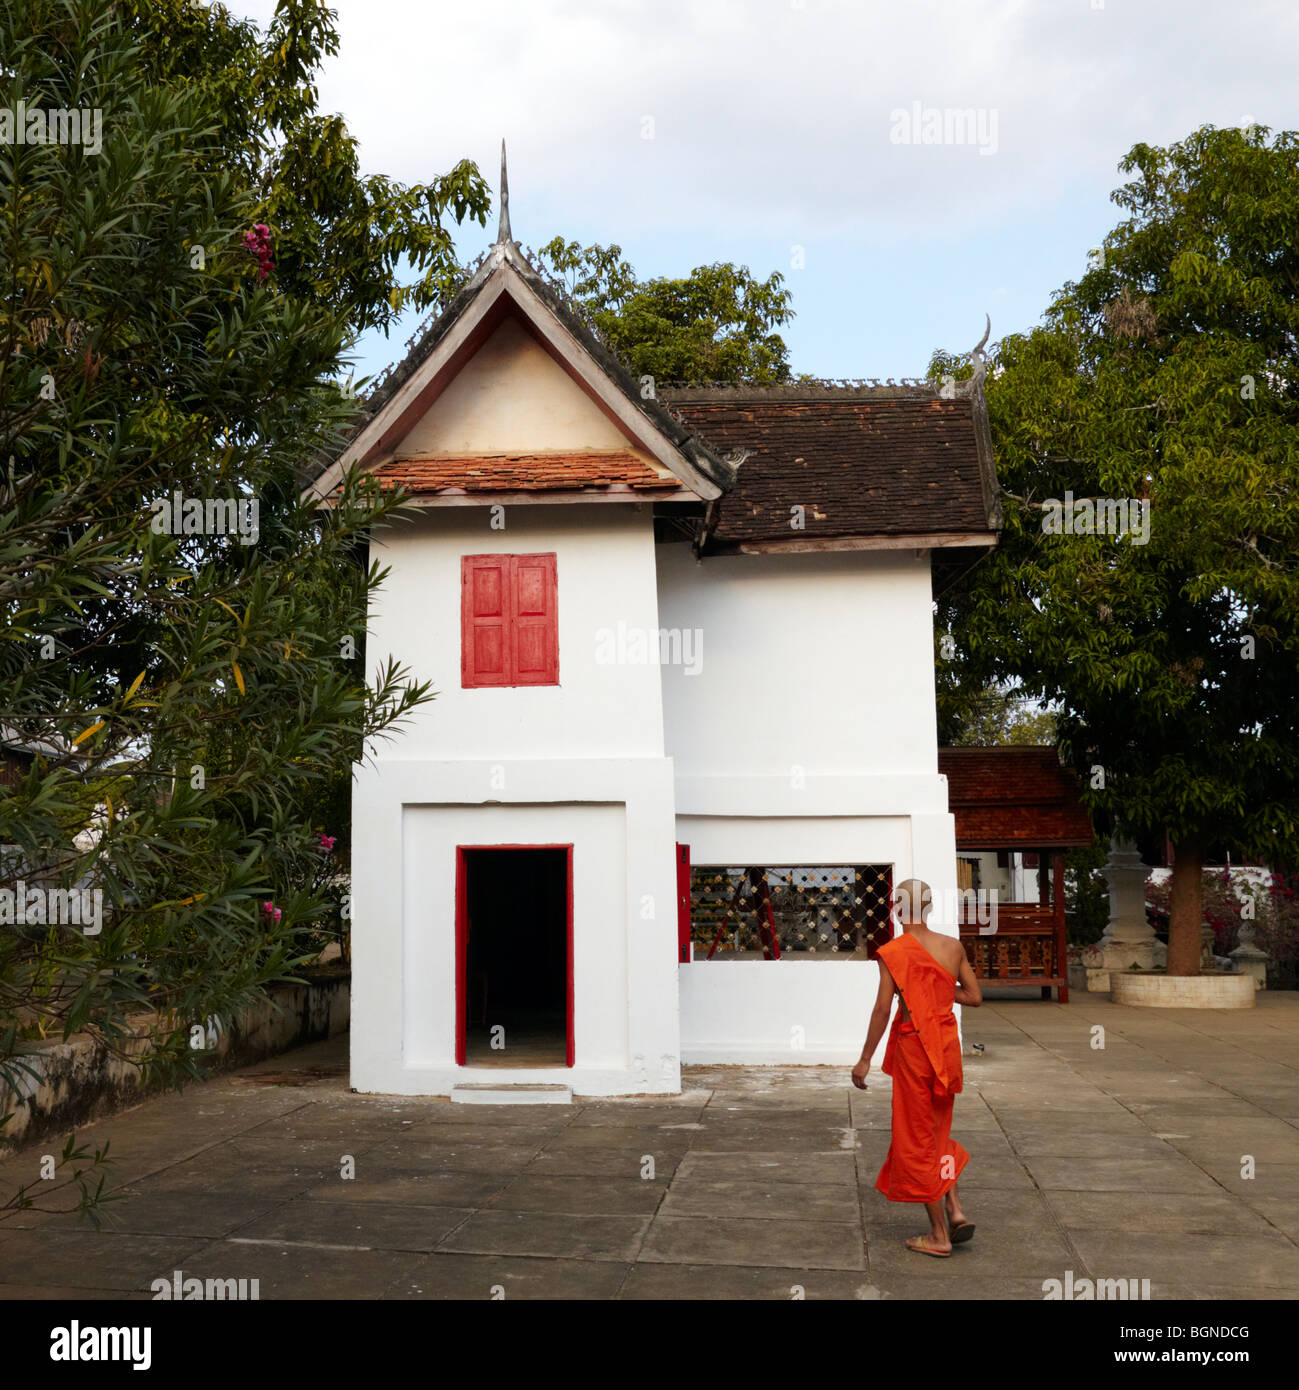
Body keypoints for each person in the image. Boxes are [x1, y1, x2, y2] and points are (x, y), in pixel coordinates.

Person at [851, 878, 982, 1256]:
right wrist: (939, 991)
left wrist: (864, 1059)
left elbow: (882, 1008)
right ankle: (955, 1210)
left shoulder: (894, 951)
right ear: (928, 908)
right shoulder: (952, 947)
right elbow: (974, 997)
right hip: (945, 1051)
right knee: (937, 1132)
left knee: (915, 1139)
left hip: (914, 1052)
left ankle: (939, 1235)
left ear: (896, 909)